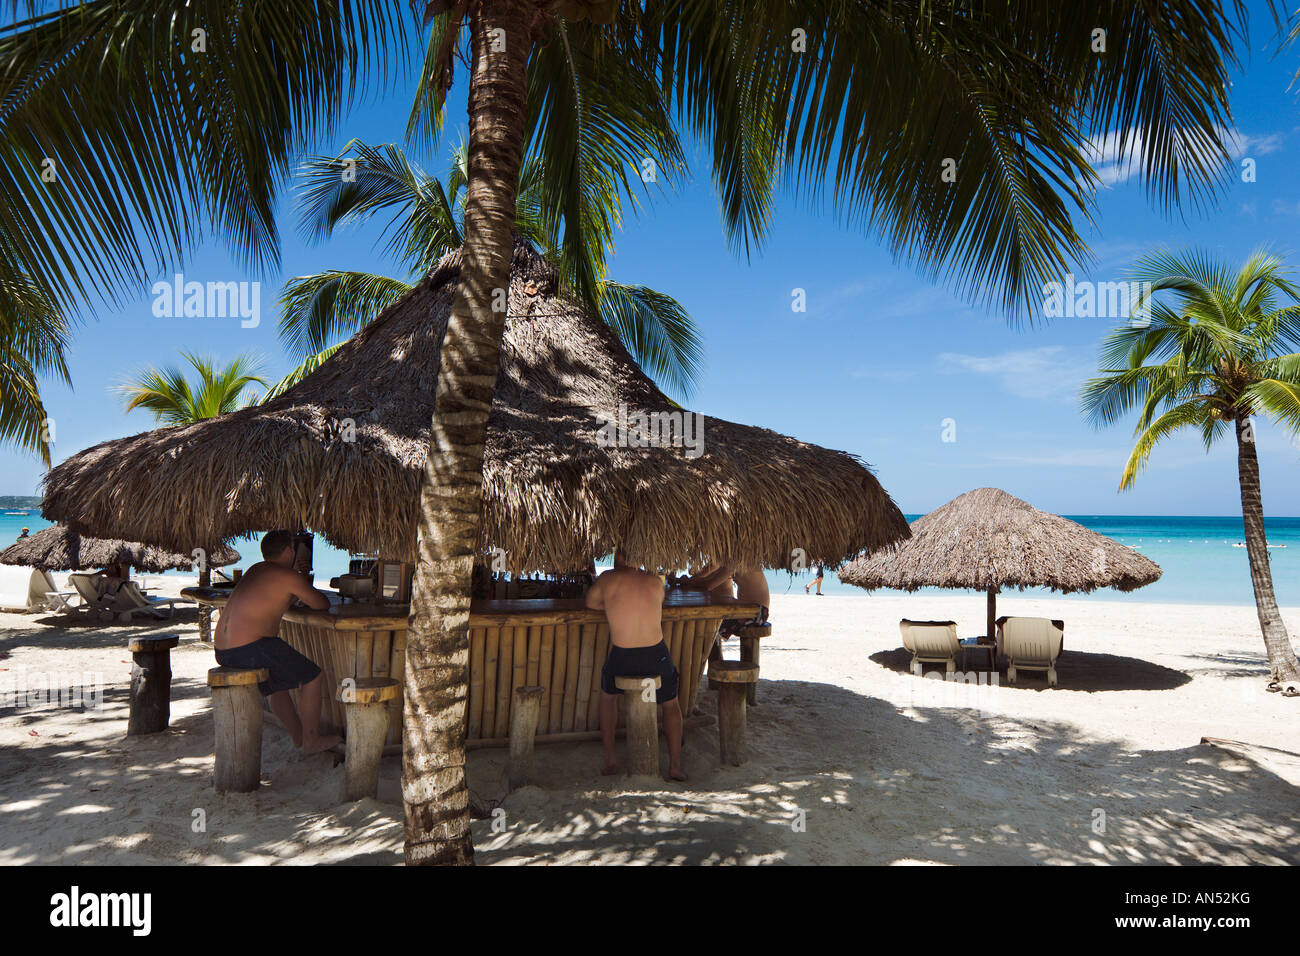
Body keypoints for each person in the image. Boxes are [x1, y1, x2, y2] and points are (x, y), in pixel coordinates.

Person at [213, 529, 340, 754]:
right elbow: (321, 604)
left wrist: (300, 576)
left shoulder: (256, 570)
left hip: (224, 650)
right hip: (250, 648)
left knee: (276, 687)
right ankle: (311, 740)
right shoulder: (287, 576)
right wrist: (301, 576)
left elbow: (282, 596)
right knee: (313, 677)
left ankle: (298, 737)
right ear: (290, 550)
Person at [585, 550, 685, 780]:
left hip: (623, 656)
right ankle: (675, 765)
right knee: (670, 704)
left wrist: (610, 605)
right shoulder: (655, 581)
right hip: (655, 655)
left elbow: (590, 603)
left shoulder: (608, 578)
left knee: (608, 698)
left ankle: (610, 758)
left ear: (618, 558)